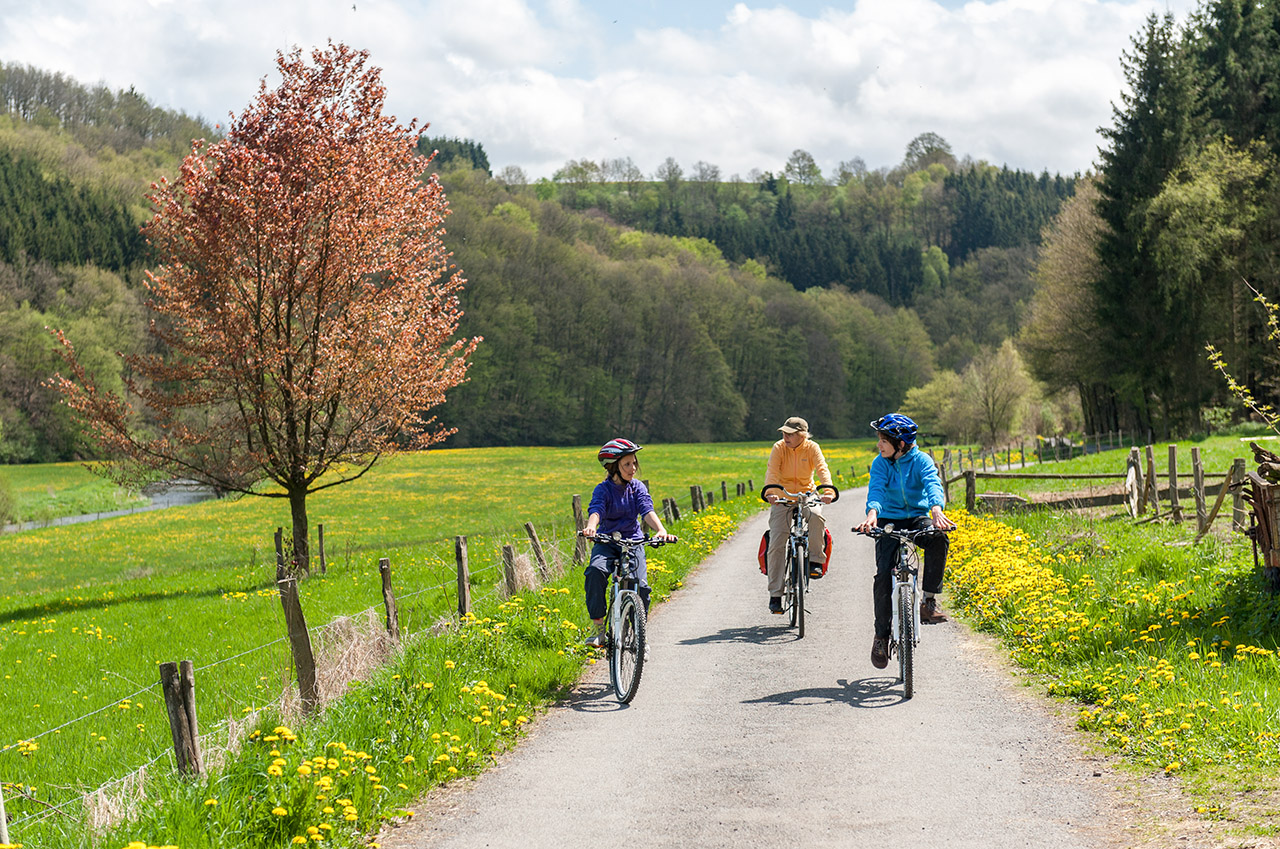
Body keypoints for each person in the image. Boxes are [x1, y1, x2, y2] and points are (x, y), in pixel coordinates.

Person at [854, 413, 956, 669]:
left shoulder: (921, 460)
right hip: (888, 518)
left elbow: (932, 483)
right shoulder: (880, 463)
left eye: (883, 440)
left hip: (917, 517)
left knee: (938, 538)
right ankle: (881, 637)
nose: (879, 445)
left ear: (900, 444)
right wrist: (872, 514)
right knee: (882, 577)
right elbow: (876, 490)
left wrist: (936, 509)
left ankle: (928, 602)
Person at [581, 438, 675, 649]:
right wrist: (591, 527)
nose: (633, 468)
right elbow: (596, 510)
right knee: (595, 571)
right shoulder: (603, 490)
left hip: (633, 542)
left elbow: (646, 510)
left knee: (641, 586)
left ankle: (640, 634)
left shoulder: (637, 487)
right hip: (606, 541)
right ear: (613, 467)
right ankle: (598, 629)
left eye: (634, 463)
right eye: (627, 464)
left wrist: (661, 530)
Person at [763, 416, 835, 614]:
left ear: (802, 435)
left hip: (807, 494)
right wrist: (771, 492)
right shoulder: (779, 448)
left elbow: (822, 469)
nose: (785, 437)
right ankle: (775, 594)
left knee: (816, 516)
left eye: (790, 434)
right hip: (783, 495)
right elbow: (772, 471)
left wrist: (828, 490)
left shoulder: (812, 448)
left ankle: (815, 561)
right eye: (784, 433)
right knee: (777, 541)